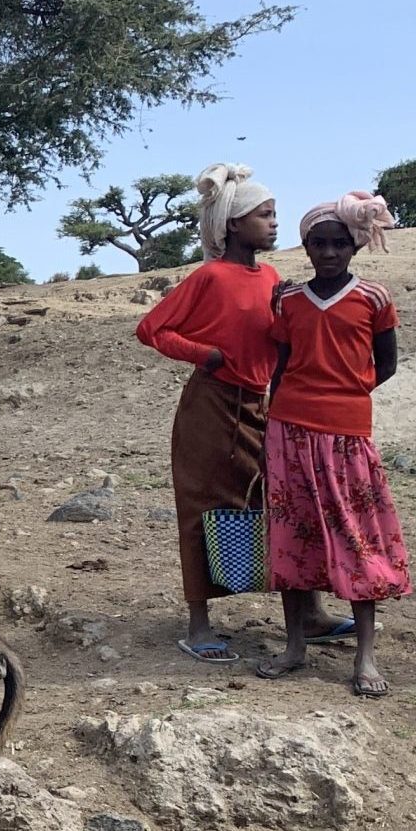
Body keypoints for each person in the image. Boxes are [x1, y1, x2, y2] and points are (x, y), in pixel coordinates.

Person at [136, 162, 352, 662]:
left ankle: (310, 614)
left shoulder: (274, 276)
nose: (275, 223)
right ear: (234, 224)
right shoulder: (210, 276)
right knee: (201, 508)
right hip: (210, 408)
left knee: (285, 502)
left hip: (262, 404)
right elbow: (152, 329)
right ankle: (198, 624)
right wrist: (205, 355)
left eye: (275, 214)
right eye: (265, 215)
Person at [254, 195, 411, 696]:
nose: (327, 252)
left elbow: (384, 365)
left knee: (357, 537)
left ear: (354, 246)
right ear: (306, 247)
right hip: (288, 429)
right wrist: (269, 432)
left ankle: (366, 657)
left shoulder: (375, 299)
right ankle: (295, 647)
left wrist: (344, 395)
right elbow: (280, 368)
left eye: (338, 243)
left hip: (347, 434)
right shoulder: (288, 300)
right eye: (318, 243)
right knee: (292, 535)